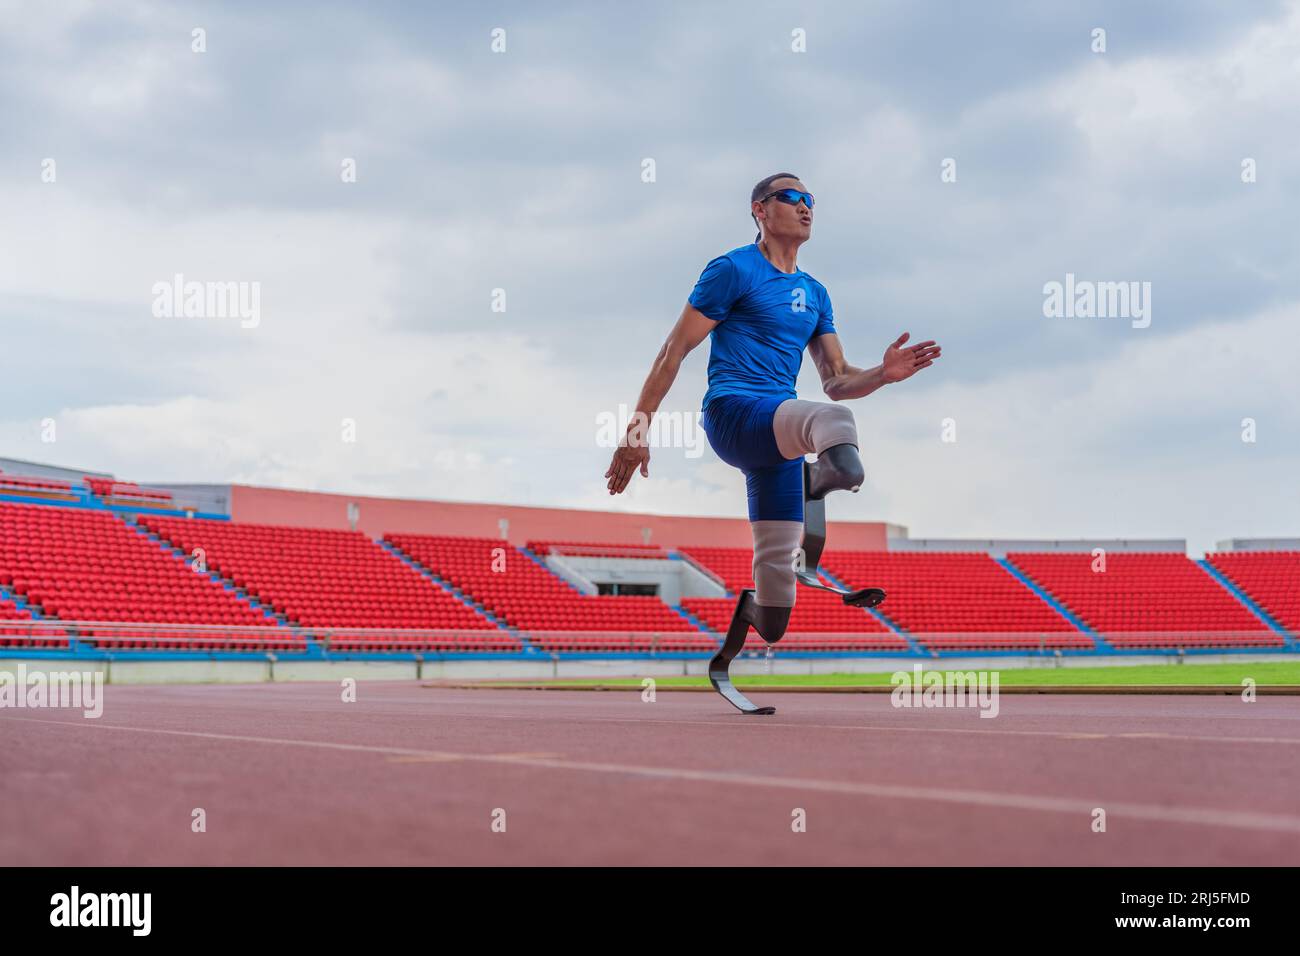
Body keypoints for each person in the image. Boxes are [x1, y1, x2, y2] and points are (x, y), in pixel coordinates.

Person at [604, 172, 941, 643]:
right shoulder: (732, 269)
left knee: (776, 615)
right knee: (837, 431)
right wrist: (635, 434)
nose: (805, 207)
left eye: (811, 200)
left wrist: (883, 374)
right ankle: (819, 477)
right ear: (760, 210)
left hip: (780, 435)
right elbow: (672, 351)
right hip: (735, 413)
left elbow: (838, 381)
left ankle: (750, 610)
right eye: (791, 197)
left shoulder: (816, 293)